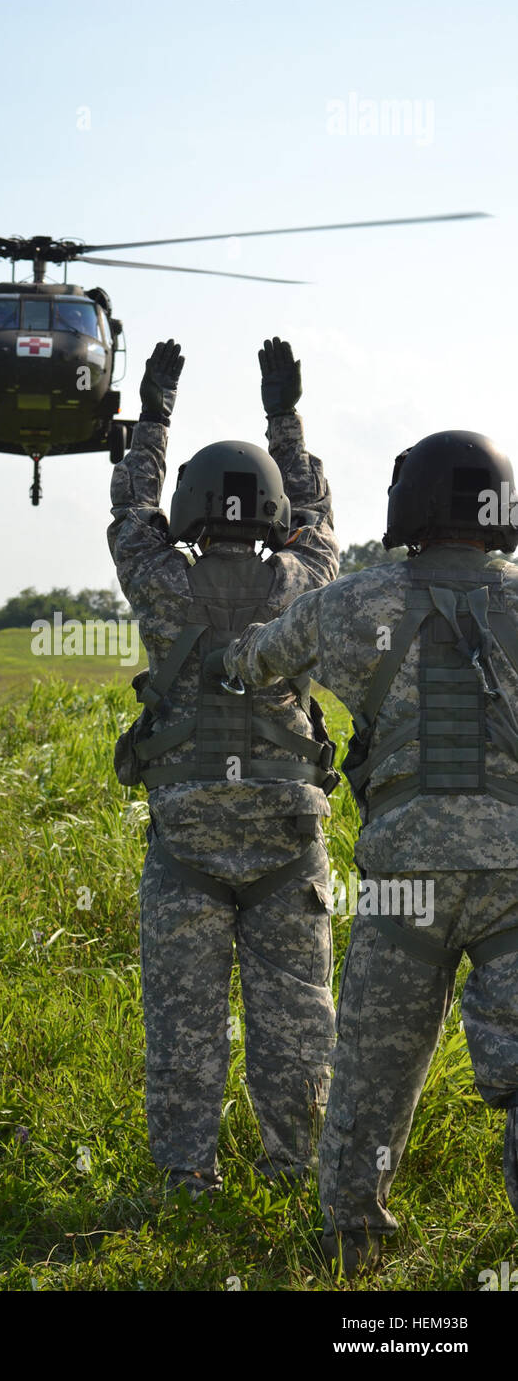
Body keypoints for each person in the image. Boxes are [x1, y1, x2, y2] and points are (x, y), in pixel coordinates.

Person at [222, 430, 518, 1273]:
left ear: (410, 504)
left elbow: (256, 662)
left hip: (403, 881)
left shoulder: (353, 603)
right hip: (516, 876)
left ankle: (353, 1246)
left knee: (370, 1075)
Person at [108, 336, 341, 1199]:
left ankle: (184, 1181)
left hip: (187, 846)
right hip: (289, 840)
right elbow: (318, 511)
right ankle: (293, 1175)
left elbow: (131, 508)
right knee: (298, 1020)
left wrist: (154, 412)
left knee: (182, 1024)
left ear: (190, 509)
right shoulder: (304, 580)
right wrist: (286, 414)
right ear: (275, 513)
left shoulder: (159, 580)